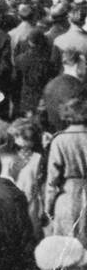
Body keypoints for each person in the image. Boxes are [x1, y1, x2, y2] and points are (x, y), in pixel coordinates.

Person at [44, 95, 87, 245]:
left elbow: (52, 179)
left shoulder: (60, 140)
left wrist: (48, 207)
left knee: (67, 252)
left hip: (67, 197)